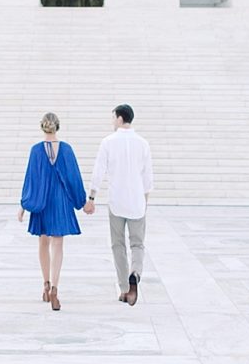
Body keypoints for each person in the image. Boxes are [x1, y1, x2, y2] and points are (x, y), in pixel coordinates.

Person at [84, 102, 155, 305]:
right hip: (137, 201)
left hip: (116, 201)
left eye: (113, 117)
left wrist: (91, 197)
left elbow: (99, 171)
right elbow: (148, 177)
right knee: (138, 243)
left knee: (118, 245)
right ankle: (136, 273)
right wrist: (145, 201)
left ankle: (124, 288)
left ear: (120, 118)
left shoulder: (108, 141)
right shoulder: (143, 143)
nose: (112, 121)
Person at [19, 111, 85, 311]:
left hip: (42, 199)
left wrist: (23, 205)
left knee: (43, 242)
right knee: (58, 244)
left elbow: (31, 179)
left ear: (42, 127)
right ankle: (56, 287)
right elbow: (74, 177)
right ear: (58, 126)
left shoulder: (36, 151)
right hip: (60, 201)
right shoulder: (66, 149)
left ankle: (45, 285)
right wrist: (83, 201)